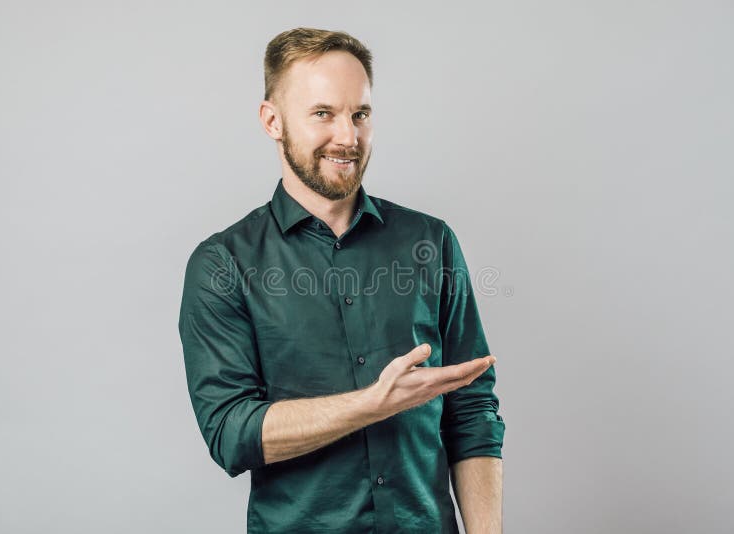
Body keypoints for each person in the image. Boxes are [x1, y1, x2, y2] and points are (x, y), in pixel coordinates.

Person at [178, 27, 506, 534]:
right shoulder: (222, 264)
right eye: (322, 114)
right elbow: (231, 433)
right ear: (272, 120)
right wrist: (373, 403)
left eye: (361, 114)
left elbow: (473, 408)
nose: (348, 137)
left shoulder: (431, 241)